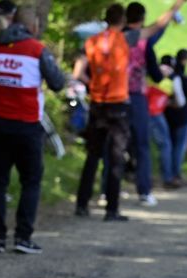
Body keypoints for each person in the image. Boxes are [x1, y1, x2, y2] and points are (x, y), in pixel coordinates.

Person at [0, 1, 65, 254]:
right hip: (27, 125)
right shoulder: (36, 49)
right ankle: (23, 237)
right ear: (33, 25)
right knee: (31, 181)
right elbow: (56, 83)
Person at [121, 0, 186, 208]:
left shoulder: (114, 36)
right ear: (141, 19)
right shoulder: (142, 40)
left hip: (113, 96)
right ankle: (144, 190)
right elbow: (159, 25)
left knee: (113, 145)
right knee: (142, 145)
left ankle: (107, 190)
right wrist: (177, 6)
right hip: (137, 97)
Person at [75, 3, 132, 222]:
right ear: (123, 20)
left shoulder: (91, 41)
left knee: (93, 155)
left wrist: (93, 86)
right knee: (116, 157)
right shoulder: (126, 39)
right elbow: (154, 28)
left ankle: (82, 204)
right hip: (118, 105)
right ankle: (112, 209)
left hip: (98, 104)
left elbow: (78, 72)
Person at [163, 48, 187, 187]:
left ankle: (168, 174)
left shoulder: (165, 77)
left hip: (167, 116)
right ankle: (175, 174)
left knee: (169, 145)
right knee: (178, 147)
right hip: (181, 116)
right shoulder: (179, 78)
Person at [147, 54, 175, 187]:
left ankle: (146, 176)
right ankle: (167, 177)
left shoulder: (148, 75)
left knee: (144, 146)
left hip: (142, 113)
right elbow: (176, 101)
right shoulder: (168, 82)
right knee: (165, 145)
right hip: (156, 114)